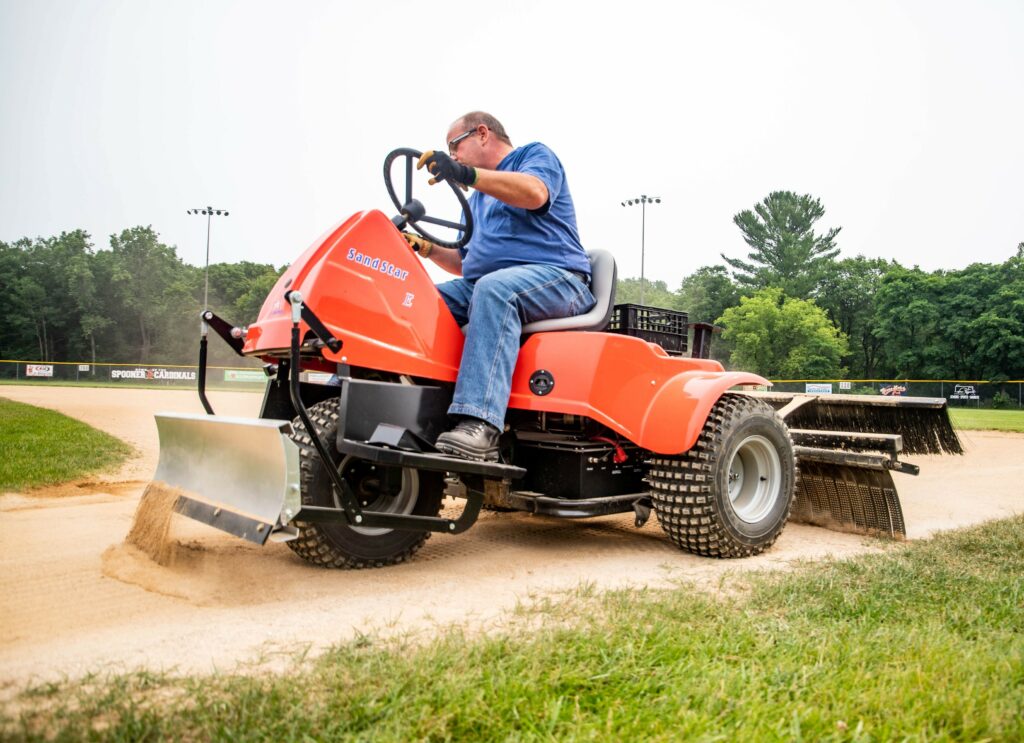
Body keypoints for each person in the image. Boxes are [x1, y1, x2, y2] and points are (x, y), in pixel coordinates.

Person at [404, 111, 595, 462]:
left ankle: (480, 423)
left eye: (453, 148)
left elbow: (535, 193)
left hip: (559, 279)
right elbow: (465, 263)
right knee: (417, 301)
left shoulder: (533, 157)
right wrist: (426, 248)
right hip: (487, 283)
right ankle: (393, 400)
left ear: (481, 133)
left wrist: (465, 174)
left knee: (493, 290)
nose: (453, 157)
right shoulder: (475, 200)